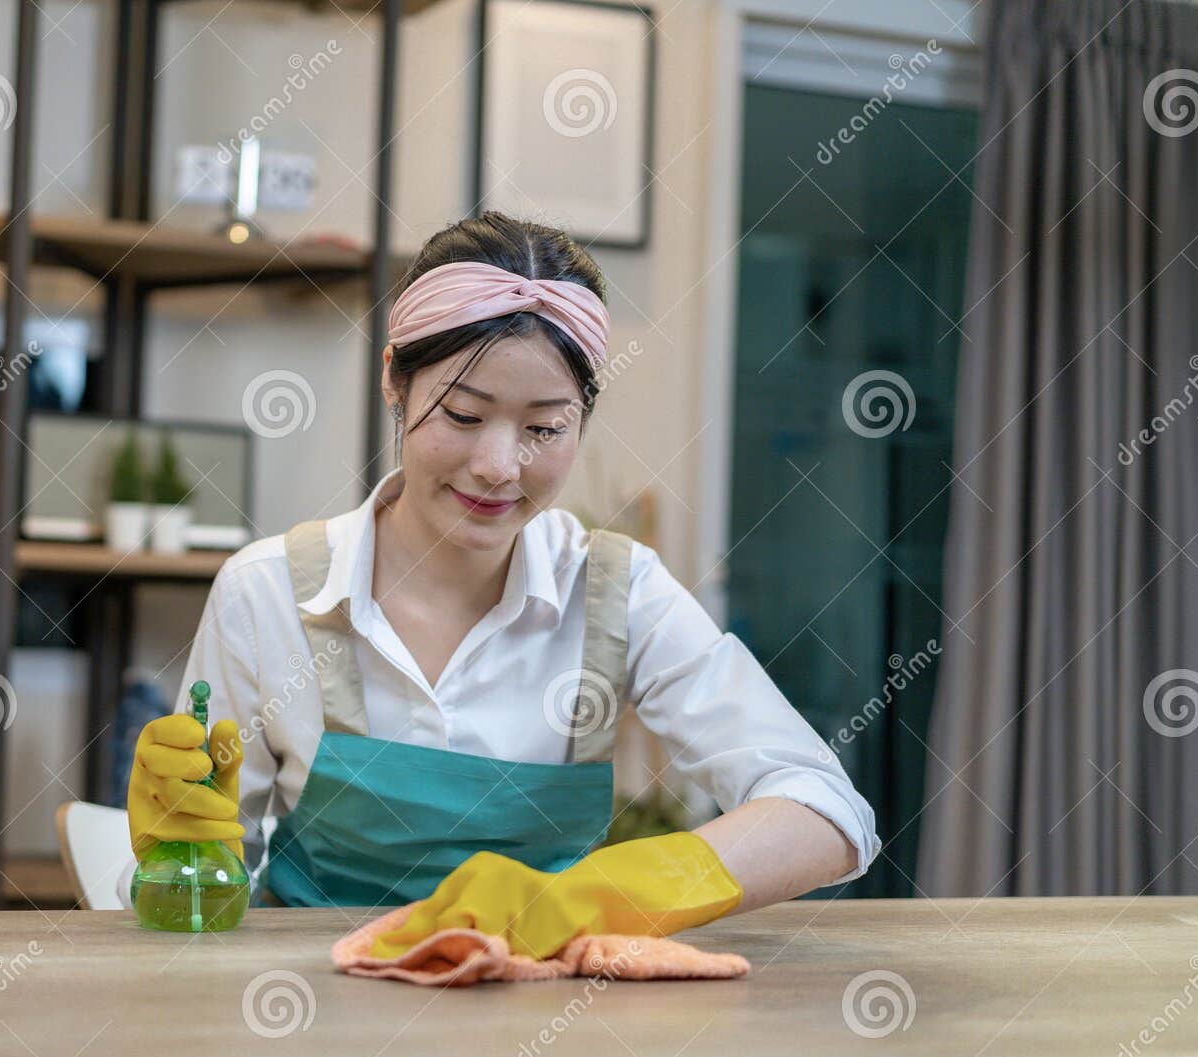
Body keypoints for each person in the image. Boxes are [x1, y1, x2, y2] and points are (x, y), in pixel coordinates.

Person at [126, 212, 880, 957]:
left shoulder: (619, 594)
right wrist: (182, 859)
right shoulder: (266, 594)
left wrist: (599, 898)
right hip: (320, 1010)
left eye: (545, 428)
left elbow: (828, 813)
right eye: (463, 413)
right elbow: (205, 892)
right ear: (394, 379)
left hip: (543, 1010)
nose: (498, 465)